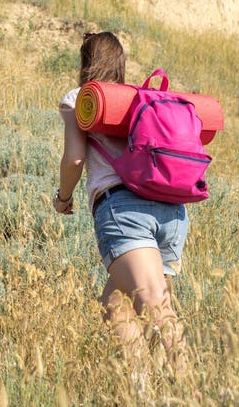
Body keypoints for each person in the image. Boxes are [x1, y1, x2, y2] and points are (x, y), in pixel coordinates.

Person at [53, 31, 191, 378]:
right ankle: (140, 392)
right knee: (116, 308)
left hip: (125, 214)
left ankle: (191, 392)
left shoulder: (82, 99)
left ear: (85, 62)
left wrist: (63, 198)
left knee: (157, 309)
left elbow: (74, 159)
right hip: (172, 213)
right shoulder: (139, 98)